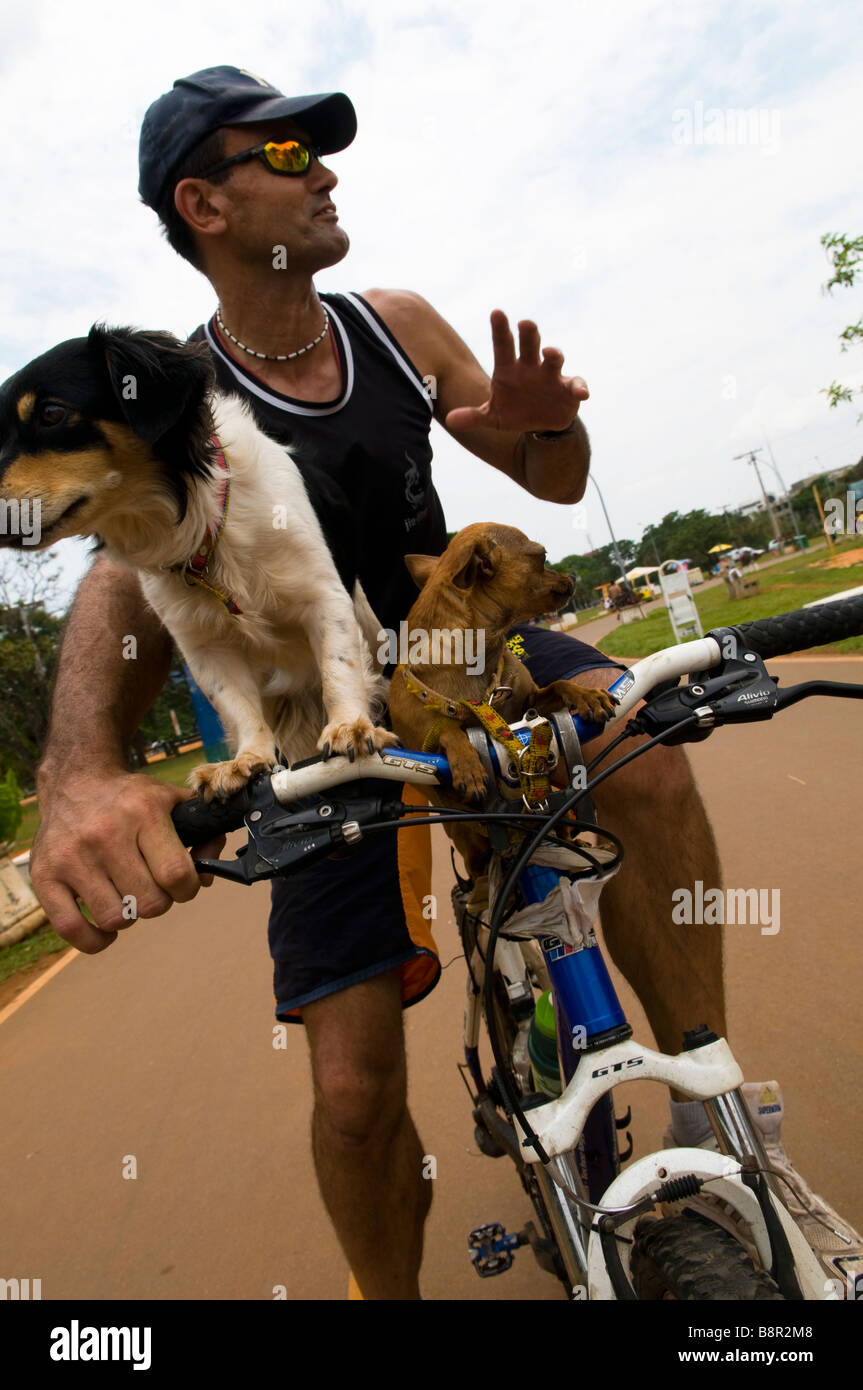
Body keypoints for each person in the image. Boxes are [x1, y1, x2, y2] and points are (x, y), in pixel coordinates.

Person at [29, 66, 860, 1298]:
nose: (328, 172)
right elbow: (122, 576)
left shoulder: (392, 321)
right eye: (292, 155)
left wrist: (545, 427)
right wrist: (82, 766)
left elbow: (553, 483)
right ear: (202, 203)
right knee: (355, 1091)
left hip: (458, 648)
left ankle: (712, 1115)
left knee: (646, 746)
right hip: (322, 709)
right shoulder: (177, 397)